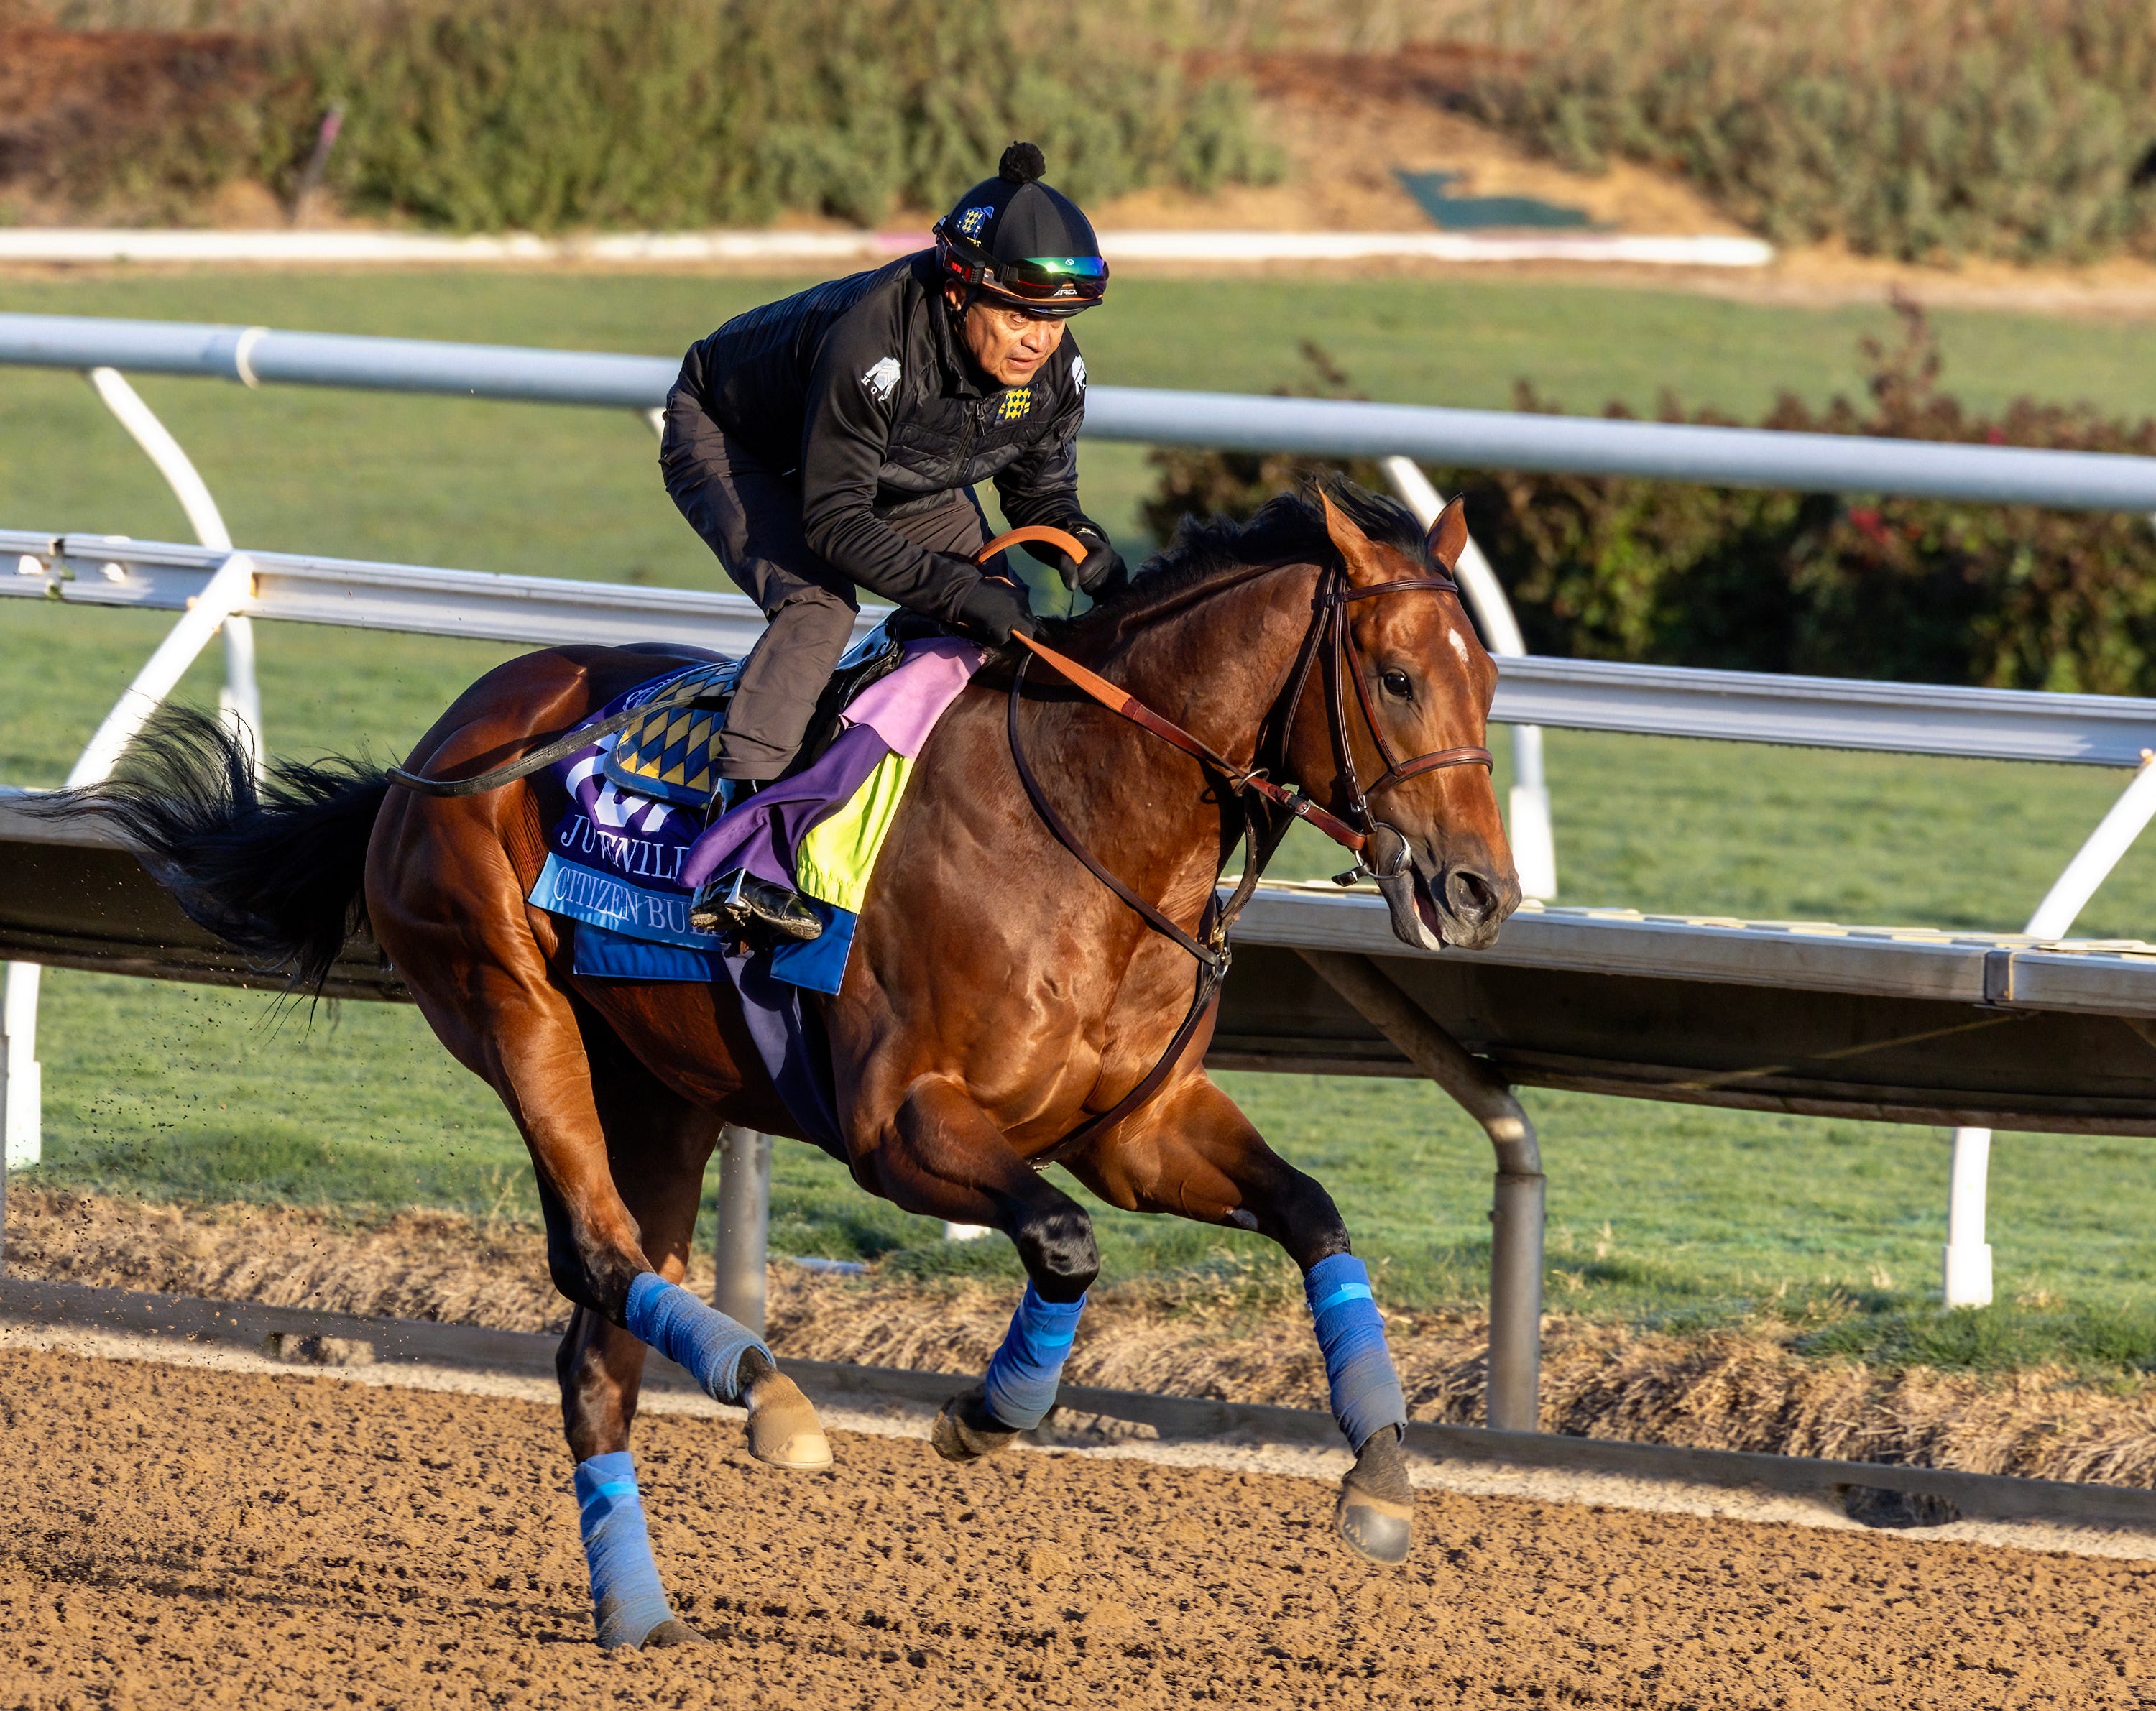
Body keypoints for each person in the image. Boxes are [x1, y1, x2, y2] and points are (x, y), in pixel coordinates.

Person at [660, 142, 1124, 900]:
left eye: (1059, 317)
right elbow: (835, 525)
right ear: (956, 291)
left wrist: (1084, 544)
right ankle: (740, 848)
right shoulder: (872, 342)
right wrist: (952, 589)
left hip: (894, 466)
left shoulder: (1055, 373)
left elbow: (1039, 495)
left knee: (1006, 623)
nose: (1040, 339)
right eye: (1019, 314)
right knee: (819, 605)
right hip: (737, 439)